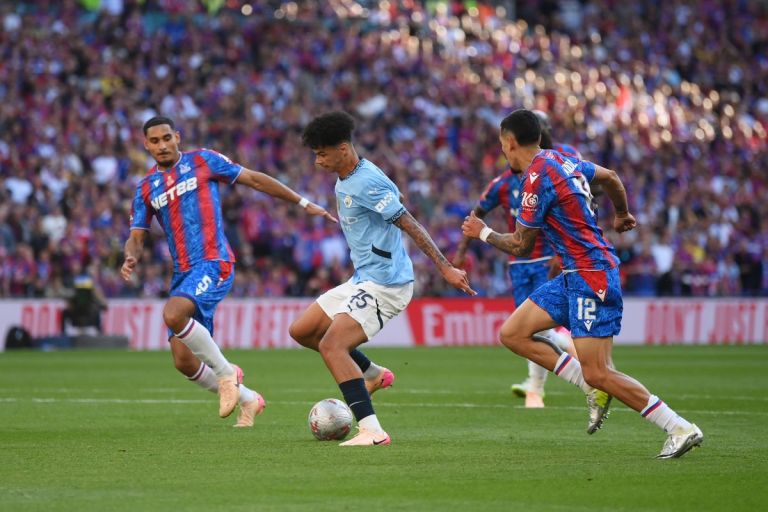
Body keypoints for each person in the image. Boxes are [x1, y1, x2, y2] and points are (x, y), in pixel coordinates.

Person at [461, 109, 703, 459]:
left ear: (511, 143)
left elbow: (520, 244)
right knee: (512, 334)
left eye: (502, 145)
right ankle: (590, 387)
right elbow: (611, 177)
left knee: (600, 372)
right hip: (574, 275)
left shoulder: (534, 179)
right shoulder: (563, 159)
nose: (502, 151)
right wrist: (621, 213)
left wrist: (481, 232)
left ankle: (679, 427)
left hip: (591, 277)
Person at [121, 116, 337, 427]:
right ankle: (249, 399)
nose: (162, 145)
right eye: (154, 141)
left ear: (177, 137)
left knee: (173, 314)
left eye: (167, 138)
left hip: (214, 262)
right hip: (184, 273)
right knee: (183, 361)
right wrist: (130, 256)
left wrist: (303, 203)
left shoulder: (203, 161)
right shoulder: (146, 187)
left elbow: (255, 180)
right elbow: (137, 236)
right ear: (146, 145)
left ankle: (227, 374)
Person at [289, 111, 476, 446]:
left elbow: (409, 222)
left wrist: (445, 267)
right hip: (363, 278)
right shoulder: (346, 177)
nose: (317, 160)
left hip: (386, 284)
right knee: (303, 331)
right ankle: (373, 374)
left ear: (343, 149)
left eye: (321, 153)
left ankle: (372, 430)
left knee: (333, 346)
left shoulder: (367, 181)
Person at [453, 110, 575, 408]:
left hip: (548, 258)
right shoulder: (503, 184)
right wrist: (459, 255)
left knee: (529, 328)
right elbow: (476, 214)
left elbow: (579, 203)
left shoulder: (560, 162)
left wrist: (563, 253)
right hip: (518, 262)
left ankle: (537, 388)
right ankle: (562, 351)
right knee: (532, 329)